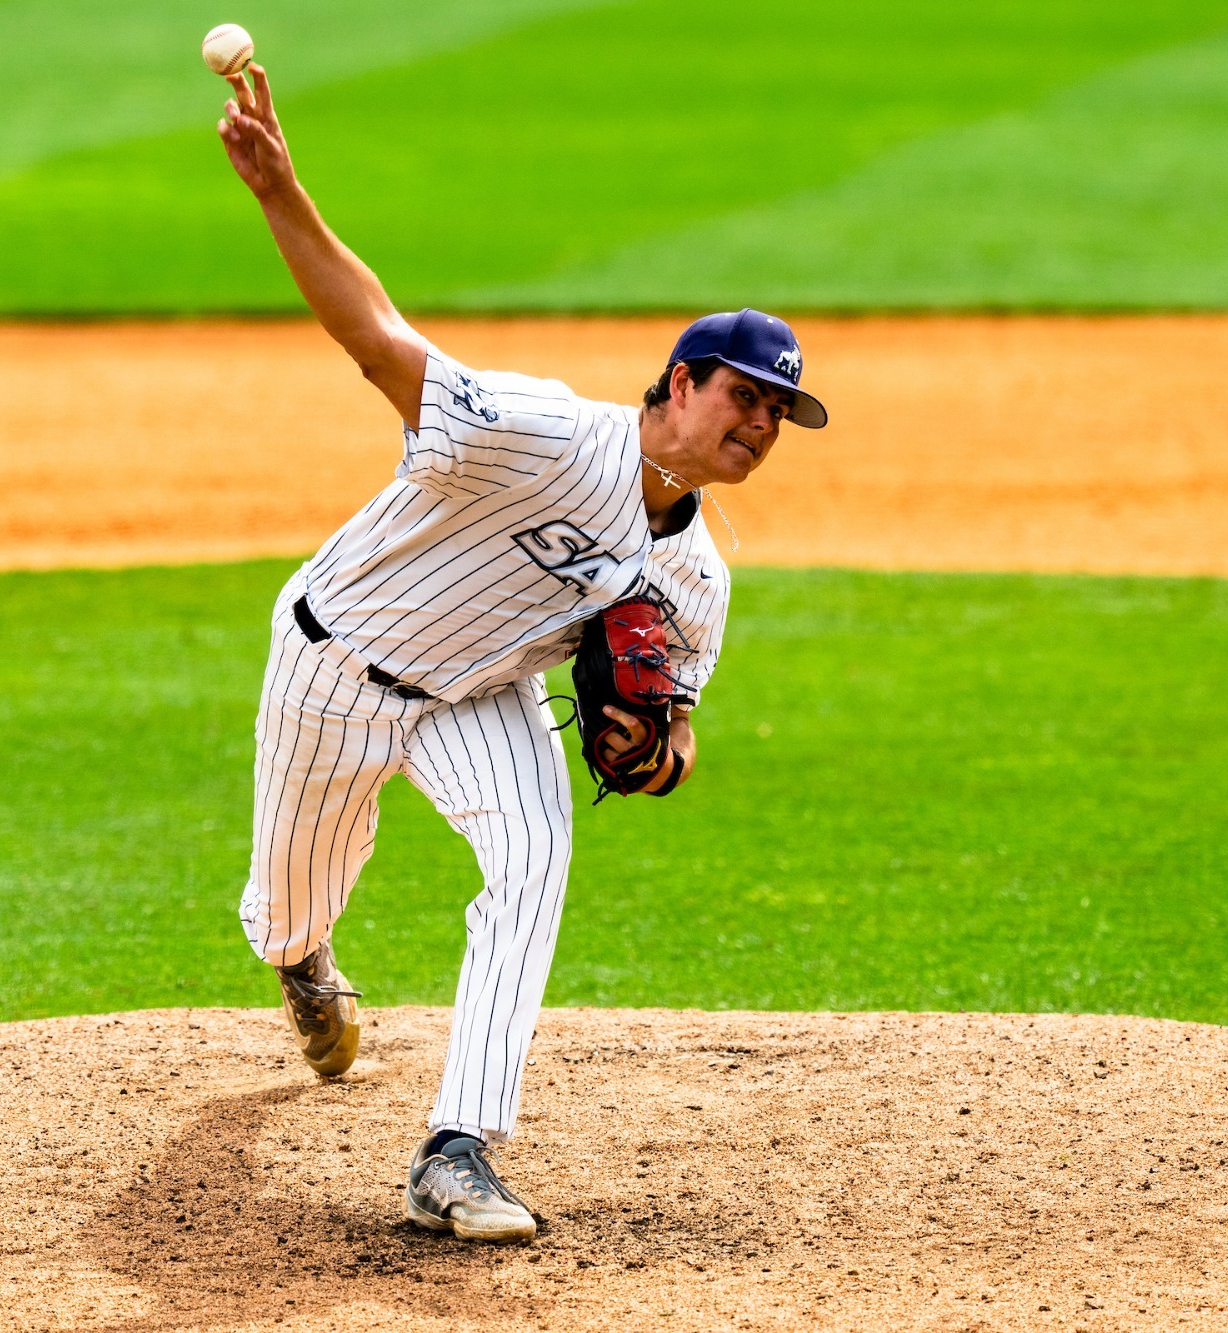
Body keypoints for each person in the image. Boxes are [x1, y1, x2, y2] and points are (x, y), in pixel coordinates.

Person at [213, 64, 826, 1243]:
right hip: (333, 665)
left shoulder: (696, 573)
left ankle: (457, 1148)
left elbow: (677, 730)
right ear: (680, 382)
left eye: (776, 415)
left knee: (536, 851)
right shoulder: (539, 432)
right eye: (742, 397)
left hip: (479, 696)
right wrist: (283, 195)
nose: (757, 425)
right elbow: (377, 338)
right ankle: (303, 963)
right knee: (288, 906)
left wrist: (657, 753)